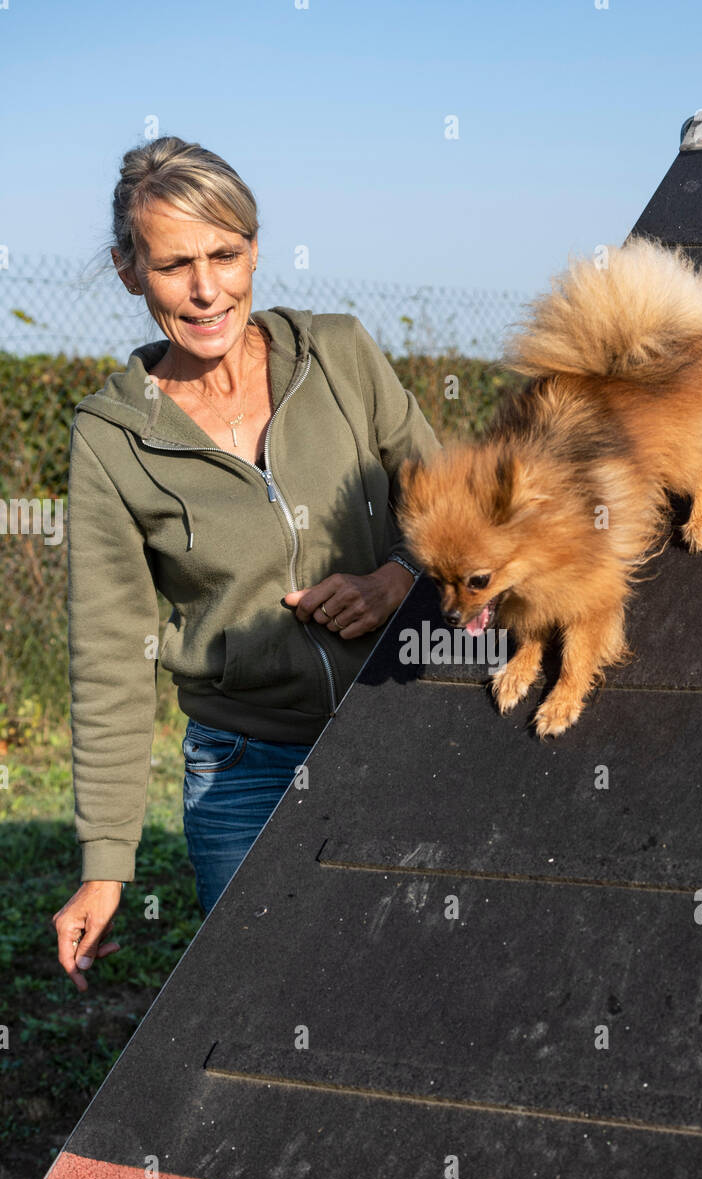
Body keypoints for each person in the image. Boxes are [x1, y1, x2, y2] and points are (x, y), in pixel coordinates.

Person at [52, 136, 439, 990]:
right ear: (128, 271)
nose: (206, 289)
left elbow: (458, 510)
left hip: (402, 737)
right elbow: (111, 656)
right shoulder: (111, 438)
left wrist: (400, 578)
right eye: (173, 264)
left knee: (417, 994)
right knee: (273, 1011)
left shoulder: (340, 355)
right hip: (244, 776)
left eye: (225, 254)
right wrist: (106, 863)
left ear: (255, 249)